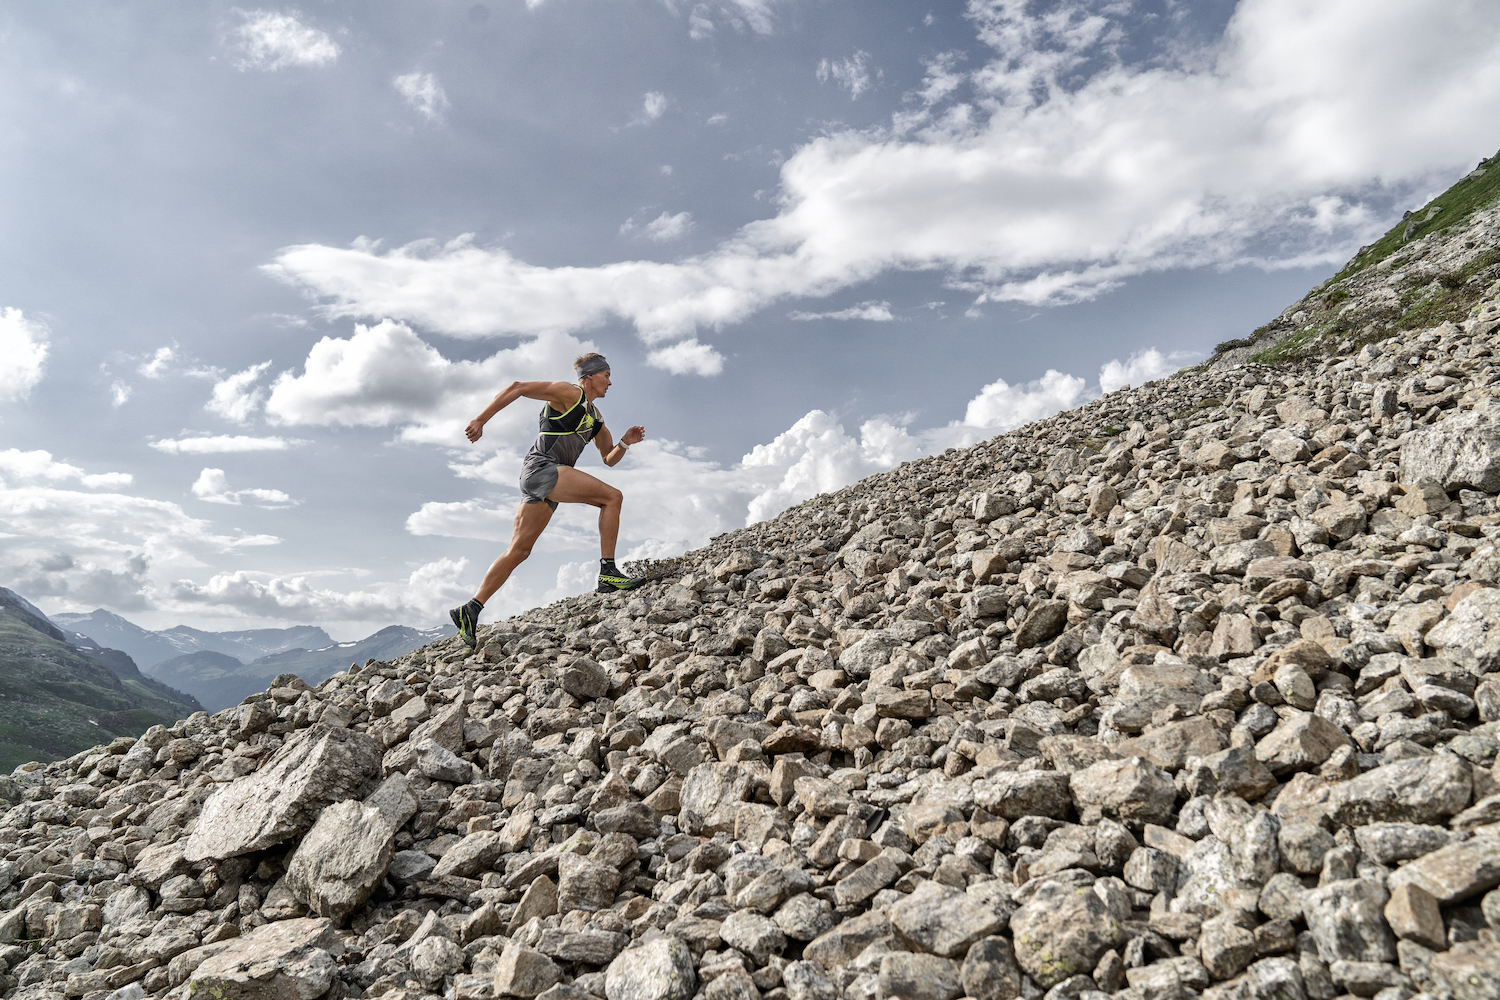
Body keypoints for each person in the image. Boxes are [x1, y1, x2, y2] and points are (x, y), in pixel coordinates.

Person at [448, 353, 647, 649]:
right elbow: (517, 387)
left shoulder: (596, 418)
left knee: (519, 550)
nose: (610, 382)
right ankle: (608, 573)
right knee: (612, 497)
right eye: (606, 375)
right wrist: (480, 419)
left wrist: (624, 443)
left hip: (543, 479)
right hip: (543, 468)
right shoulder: (570, 393)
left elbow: (608, 459)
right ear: (590, 376)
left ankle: (470, 609)